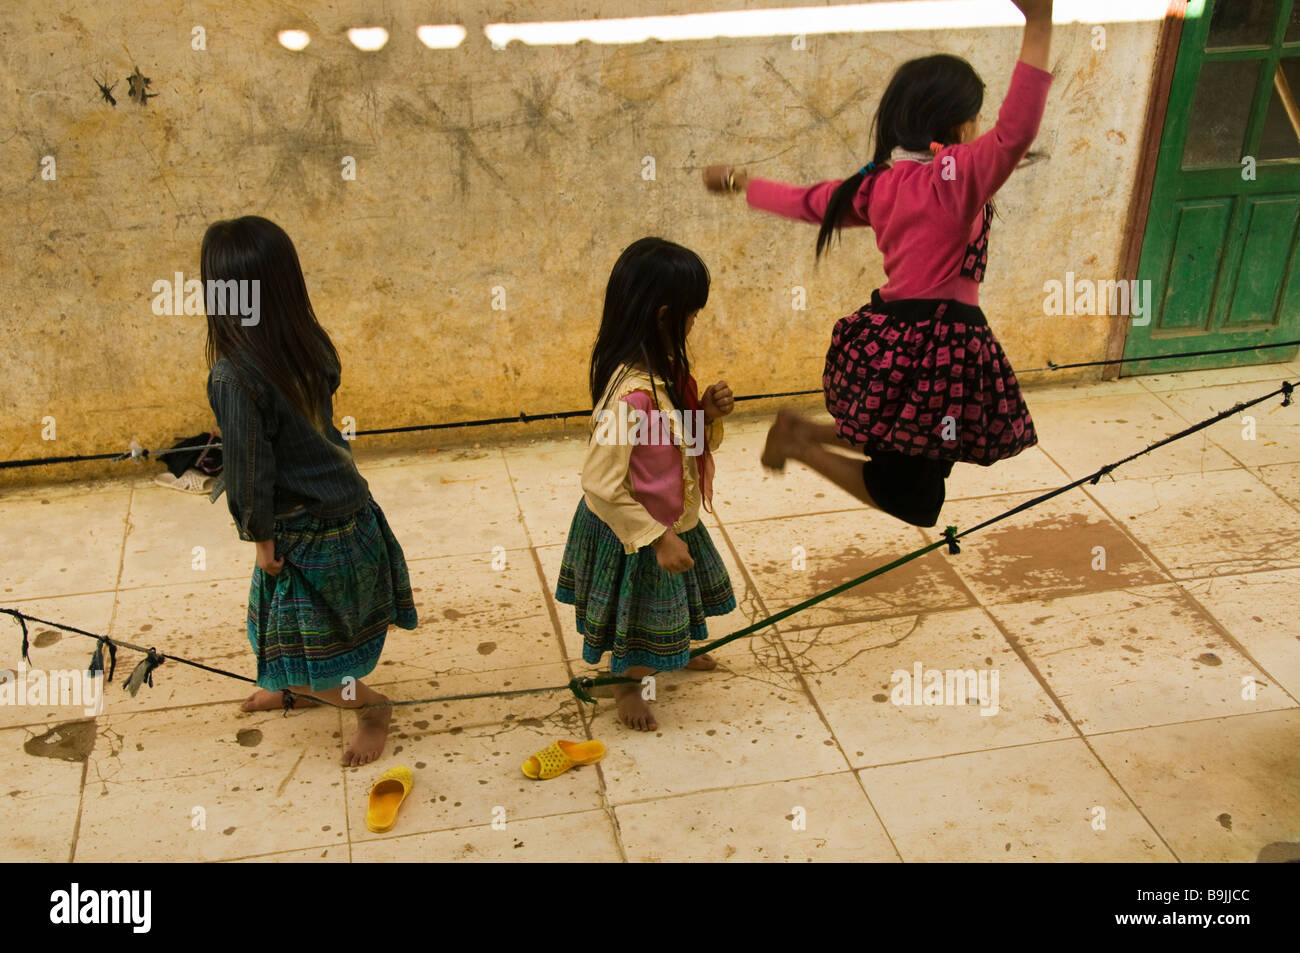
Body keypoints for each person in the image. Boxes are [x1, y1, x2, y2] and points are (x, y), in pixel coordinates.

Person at [703, 0, 1055, 528]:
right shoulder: (954, 176)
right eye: (977, 116)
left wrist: (740, 183)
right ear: (959, 121)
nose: (982, 128)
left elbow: (808, 201)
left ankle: (802, 432)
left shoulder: (881, 183)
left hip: (899, 340)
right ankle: (800, 443)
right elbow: (1017, 130)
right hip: (933, 348)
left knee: (905, 438)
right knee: (915, 499)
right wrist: (1040, 21)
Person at [203, 216, 418, 767]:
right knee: (283, 633)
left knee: (316, 661)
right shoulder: (306, 342)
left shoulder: (233, 375)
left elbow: (251, 469)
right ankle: (289, 683)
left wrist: (259, 538)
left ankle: (370, 709)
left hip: (301, 533)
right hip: (350, 512)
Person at [555, 237, 737, 732]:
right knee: (637, 618)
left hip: (670, 515)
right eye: (691, 314)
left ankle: (672, 648)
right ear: (664, 315)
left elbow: (677, 444)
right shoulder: (629, 399)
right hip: (640, 532)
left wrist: (704, 414)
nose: (694, 322)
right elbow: (599, 484)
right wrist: (659, 537)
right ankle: (627, 683)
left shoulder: (666, 375)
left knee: (674, 600)